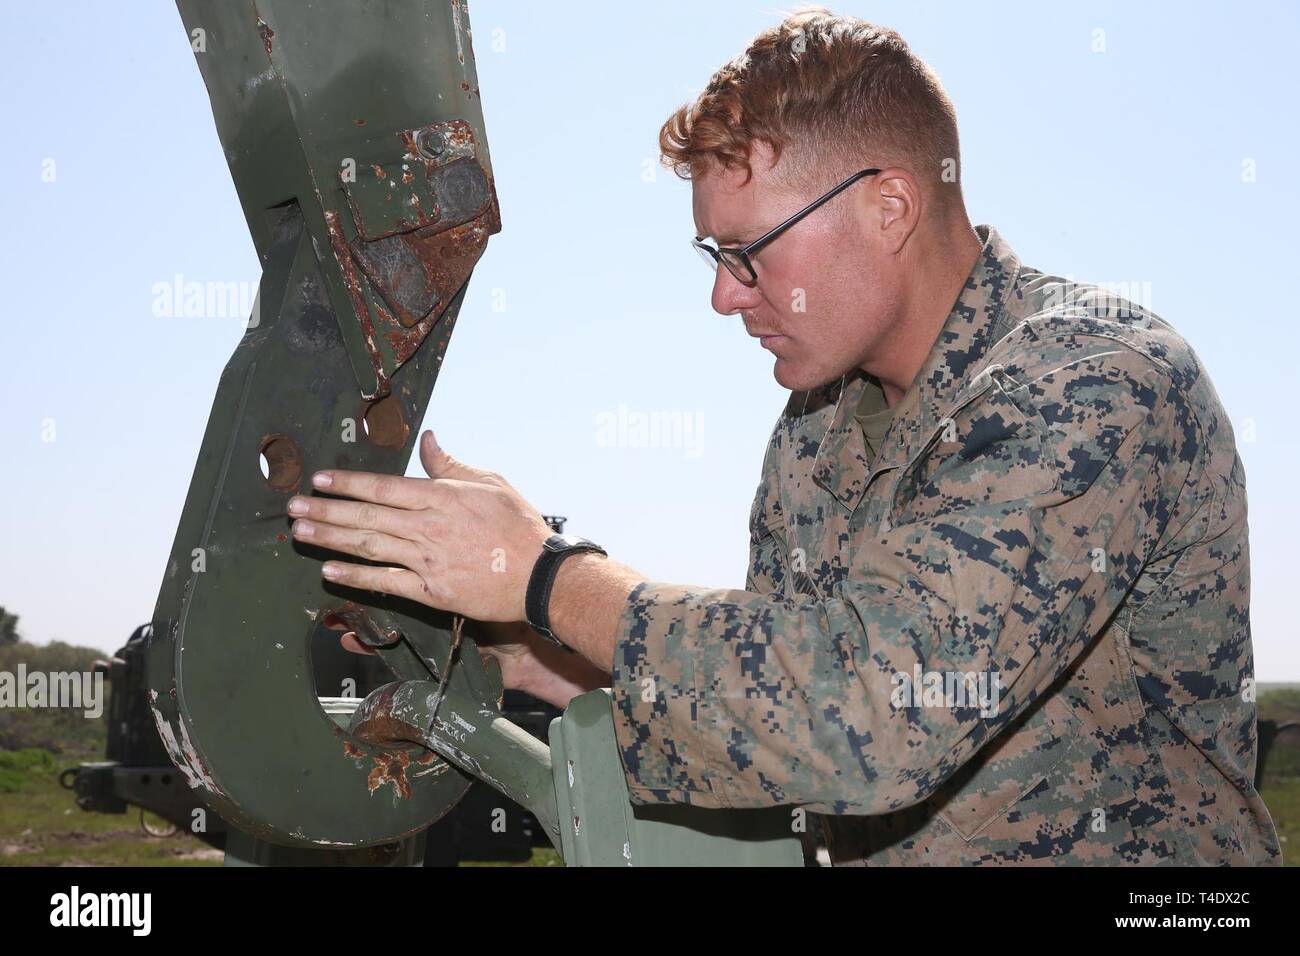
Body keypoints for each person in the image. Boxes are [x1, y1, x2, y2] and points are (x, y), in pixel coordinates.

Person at [284, 8, 1281, 865]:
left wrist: (549, 576)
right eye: (713, 256)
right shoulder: (818, 431)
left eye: (748, 252)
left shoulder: (1090, 380)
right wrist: (535, 649)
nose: (725, 297)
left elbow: (877, 716)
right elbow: (779, 710)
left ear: (890, 206)